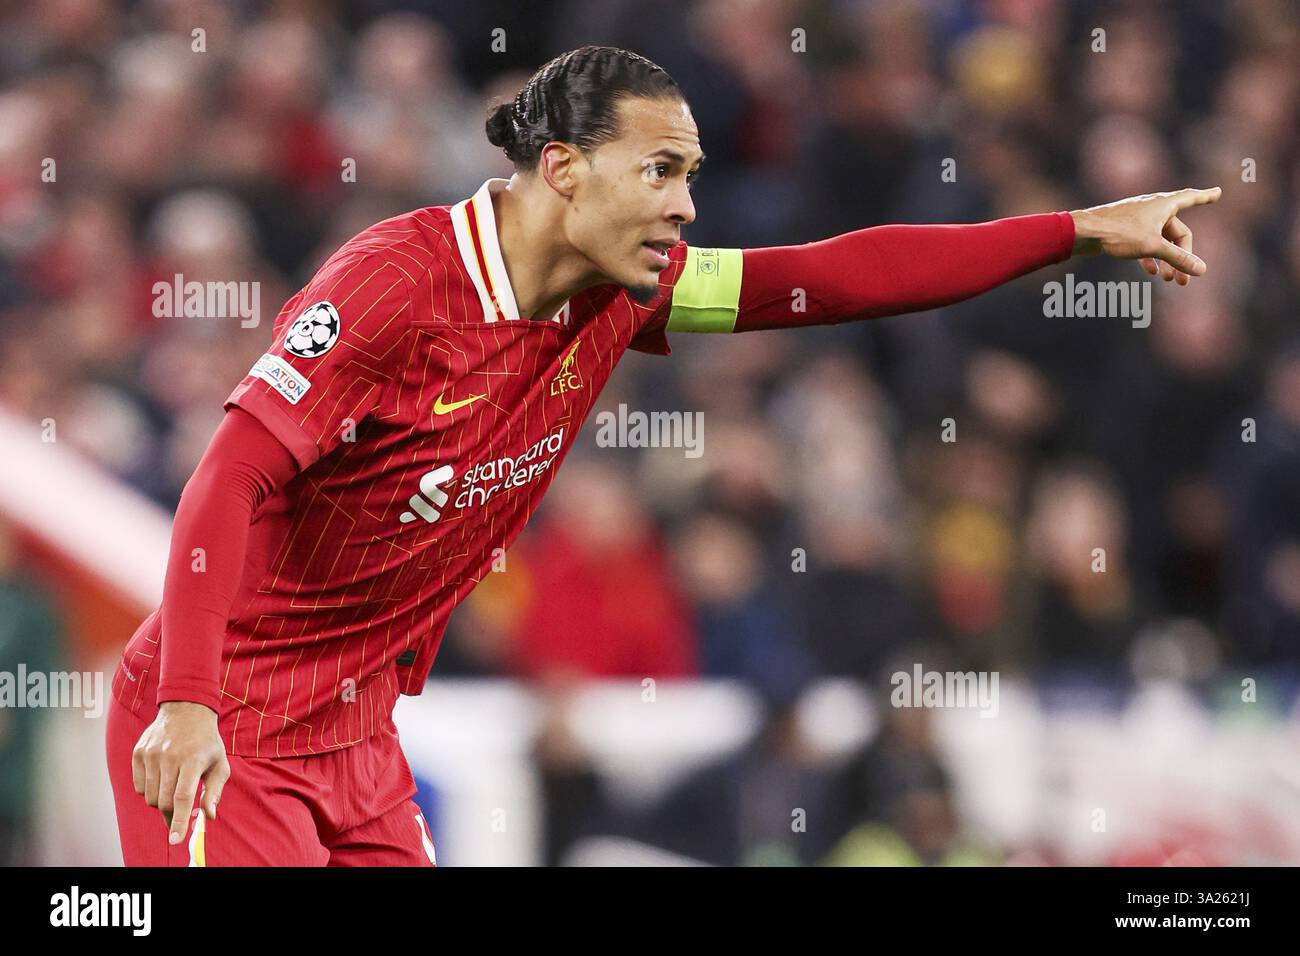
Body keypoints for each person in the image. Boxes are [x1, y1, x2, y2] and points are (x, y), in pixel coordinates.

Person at [105, 44, 1221, 866]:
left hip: (356, 733)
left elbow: (834, 276)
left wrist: (1075, 230)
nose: (686, 207)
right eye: (659, 173)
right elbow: (229, 478)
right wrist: (191, 701)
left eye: (691, 174)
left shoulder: (627, 296)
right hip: (226, 717)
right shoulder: (393, 288)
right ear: (563, 170)